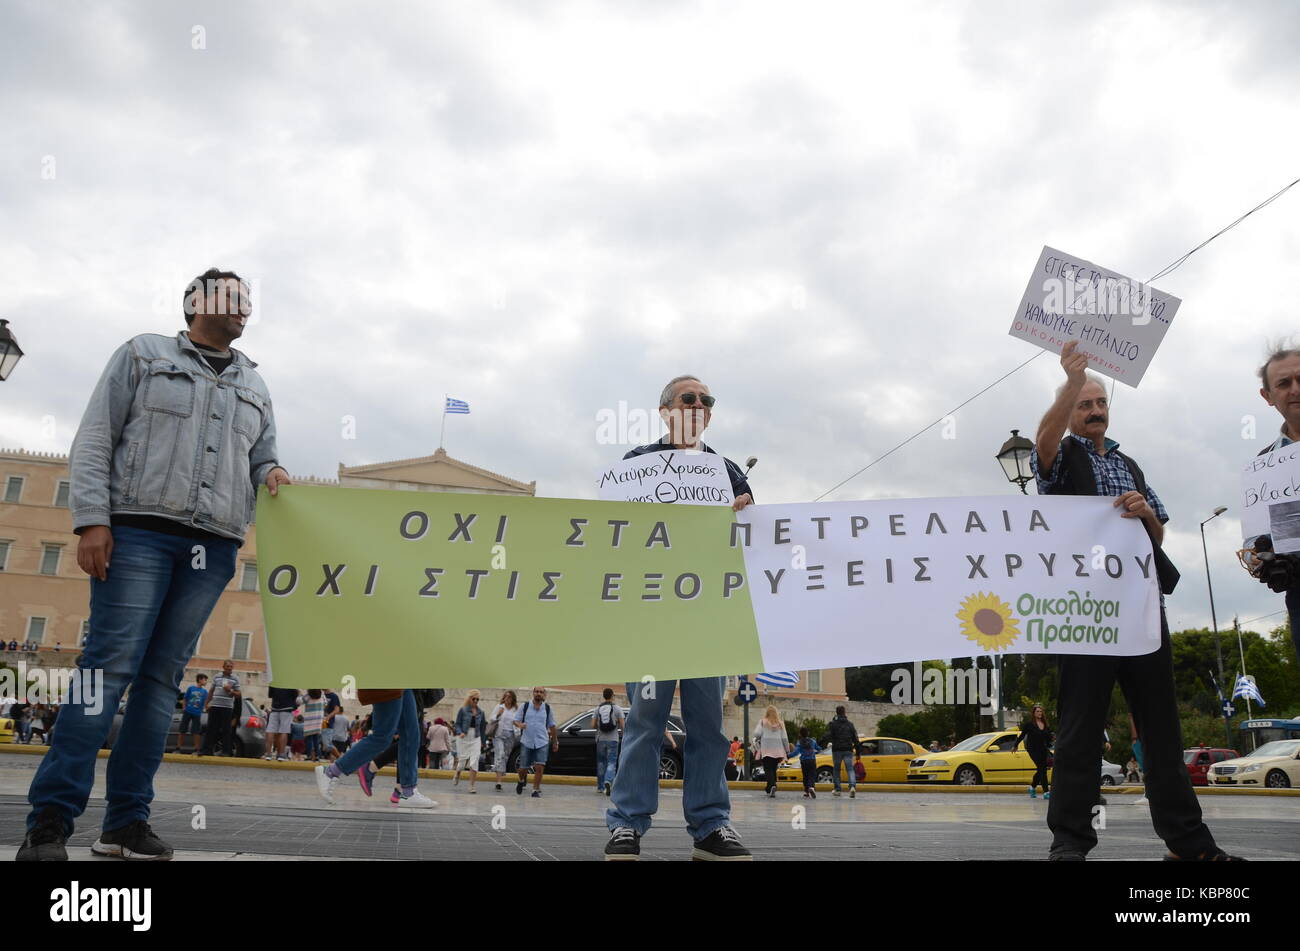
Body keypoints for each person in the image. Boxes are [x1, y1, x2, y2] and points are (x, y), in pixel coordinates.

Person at [18, 268, 290, 861]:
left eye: (250, 300)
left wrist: (272, 475)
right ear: (195, 302)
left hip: (213, 544)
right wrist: (92, 519)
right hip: (138, 531)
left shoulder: (255, 384)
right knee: (105, 672)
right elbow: (96, 435)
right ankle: (50, 824)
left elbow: (263, 457)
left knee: (160, 684)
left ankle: (125, 823)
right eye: (232, 297)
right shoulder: (142, 355)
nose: (245, 307)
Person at [1032, 340, 1239, 861]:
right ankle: (1071, 844)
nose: (1095, 410)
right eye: (1085, 404)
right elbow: (1043, 445)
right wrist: (1072, 381)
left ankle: (1189, 844)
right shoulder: (1065, 459)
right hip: (1086, 613)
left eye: (1100, 403)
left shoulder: (1130, 464)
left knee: (1162, 730)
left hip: (1142, 610)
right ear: (1072, 410)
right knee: (1079, 731)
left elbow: (1158, 538)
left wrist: (1146, 513)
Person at [605, 375, 755, 862]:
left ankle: (712, 826)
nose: (698, 404)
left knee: (708, 725)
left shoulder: (728, 470)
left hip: (707, 615)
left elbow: (749, 540)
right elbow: (615, 532)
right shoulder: (635, 465)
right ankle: (626, 825)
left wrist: (746, 511)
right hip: (651, 616)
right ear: (666, 411)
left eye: (705, 400)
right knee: (645, 722)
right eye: (688, 397)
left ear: (709, 416)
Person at [1242, 344, 1300, 665]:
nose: (1295, 390)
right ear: (1267, 396)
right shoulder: (1263, 466)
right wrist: (1261, 558)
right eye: (1284, 383)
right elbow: (1252, 548)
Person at [314, 689, 435, 809]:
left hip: (404, 682)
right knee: (382, 737)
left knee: (411, 736)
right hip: (389, 680)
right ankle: (331, 772)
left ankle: (409, 792)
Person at [514, 686, 558, 798]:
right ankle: (521, 779)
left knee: (540, 766)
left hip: (542, 741)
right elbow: (515, 720)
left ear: (544, 694)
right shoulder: (525, 706)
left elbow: (552, 726)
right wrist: (520, 725)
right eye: (536, 692)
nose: (538, 694)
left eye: (541, 692)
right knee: (523, 767)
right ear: (533, 693)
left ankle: (535, 789)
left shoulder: (547, 708)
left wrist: (555, 742)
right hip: (527, 741)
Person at [200, 660, 242, 757]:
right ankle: (206, 750)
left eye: (231, 666)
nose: (229, 668)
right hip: (215, 706)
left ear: (233, 668)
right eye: (227, 666)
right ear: (223, 667)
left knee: (226, 730)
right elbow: (211, 691)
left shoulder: (235, 678)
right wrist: (206, 704)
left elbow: (239, 694)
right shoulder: (217, 676)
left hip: (227, 708)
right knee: (210, 728)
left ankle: (226, 751)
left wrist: (230, 690)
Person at [820, 705, 862, 798]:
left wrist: (820, 744)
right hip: (848, 749)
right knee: (850, 769)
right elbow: (855, 739)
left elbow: (827, 735)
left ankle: (838, 789)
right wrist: (858, 752)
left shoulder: (833, 724)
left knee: (836, 770)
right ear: (844, 712)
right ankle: (852, 787)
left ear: (837, 712)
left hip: (837, 750)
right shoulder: (850, 724)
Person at [1015, 704, 1054, 799]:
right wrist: (1015, 745)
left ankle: (1032, 787)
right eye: (1037, 711)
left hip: (1043, 749)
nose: (1039, 713)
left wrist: (1052, 739)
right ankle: (1046, 792)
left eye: (1041, 711)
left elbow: (1048, 737)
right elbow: (1022, 735)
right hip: (1032, 750)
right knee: (1042, 769)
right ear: (1033, 713)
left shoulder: (1045, 724)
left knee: (1041, 769)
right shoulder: (1029, 724)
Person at [752, 706, 791, 799]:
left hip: (766, 749)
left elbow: (757, 733)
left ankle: (772, 785)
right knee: (773, 769)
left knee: (768, 769)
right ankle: (770, 787)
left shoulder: (763, 721)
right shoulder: (780, 723)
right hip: (778, 750)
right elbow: (785, 738)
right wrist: (787, 750)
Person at [592, 688, 624, 795]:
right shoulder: (617, 709)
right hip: (613, 740)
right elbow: (623, 726)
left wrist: (600, 726)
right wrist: (623, 735)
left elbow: (592, 725)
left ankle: (600, 787)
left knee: (601, 763)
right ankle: (608, 781)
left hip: (601, 739)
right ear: (612, 696)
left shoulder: (598, 709)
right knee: (611, 762)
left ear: (603, 696)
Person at [453, 690, 486, 793]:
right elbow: (457, 724)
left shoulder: (481, 712)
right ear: (469, 699)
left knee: (474, 761)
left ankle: (471, 785)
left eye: (477, 699)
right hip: (463, 737)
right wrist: (460, 732)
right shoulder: (463, 710)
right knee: (462, 763)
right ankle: (457, 773)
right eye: (474, 699)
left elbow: (482, 728)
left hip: (476, 737)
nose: (475, 701)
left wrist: (483, 742)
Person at [488, 690, 520, 790]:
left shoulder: (516, 709)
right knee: (500, 754)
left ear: (513, 699)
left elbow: (518, 721)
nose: (507, 698)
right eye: (506, 696)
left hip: (511, 735)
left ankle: (499, 777)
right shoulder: (499, 707)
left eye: (509, 697)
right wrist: (498, 715)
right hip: (499, 735)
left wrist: (518, 725)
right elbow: (491, 719)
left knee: (505, 757)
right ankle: (497, 777)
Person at [265, 685, 299, 762]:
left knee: (270, 730)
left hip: (275, 708)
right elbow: (295, 694)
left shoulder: (274, 679)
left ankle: (268, 754)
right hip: (287, 708)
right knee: (284, 731)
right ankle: (281, 754)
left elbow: (270, 695)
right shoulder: (290, 680)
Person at [178, 674, 208, 755]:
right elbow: (185, 698)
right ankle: (178, 748)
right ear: (200, 680)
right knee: (182, 730)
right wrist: (184, 708)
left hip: (197, 713)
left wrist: (205, 709)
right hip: (188, 711)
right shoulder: (191, 688)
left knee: (196, 731)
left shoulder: (205, 692)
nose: (206, 682)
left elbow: (206, 702)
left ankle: (196, 749)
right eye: (205, 680)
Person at [791, 728, 822, 799]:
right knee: (812, 775)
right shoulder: (812, 741)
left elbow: (795, 752)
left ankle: (806, 792)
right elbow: (818, 748)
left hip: (804, 761)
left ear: (800, 734)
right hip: (812, 760)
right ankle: (811, 787)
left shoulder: (799, 742)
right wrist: (820, 749)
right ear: (808, 733)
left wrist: (788, 755)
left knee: (805, 776)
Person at [300, 689, 326, 762]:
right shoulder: (322, 694)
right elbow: (326, 703)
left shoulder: (308, 696)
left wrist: (300, 694)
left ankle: (309, 755)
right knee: (316, 740)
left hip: (309, 720)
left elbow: (299, 701)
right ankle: (317, 756)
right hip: (318, 719)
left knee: (309, 739)